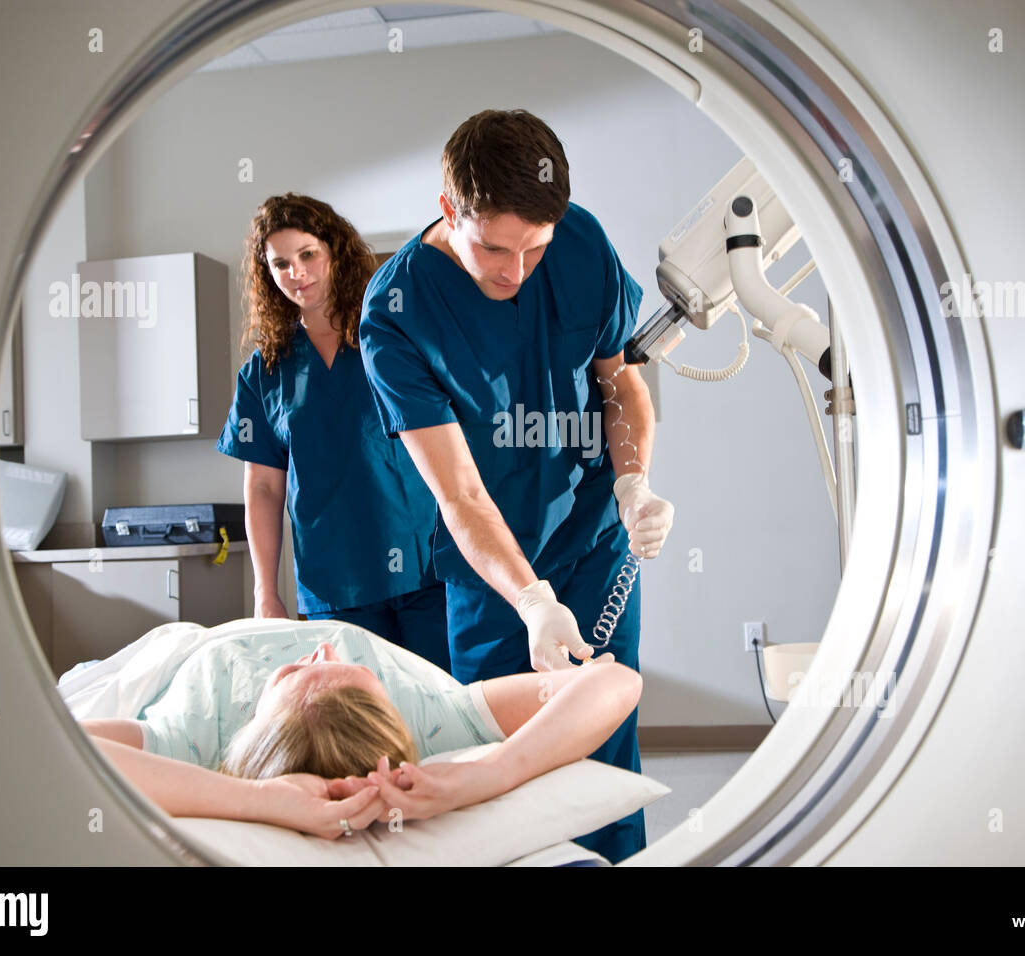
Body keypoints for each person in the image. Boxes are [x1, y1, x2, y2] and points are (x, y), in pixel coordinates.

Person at [357, 109, 675, 862]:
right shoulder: (395, 314)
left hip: (595, 547)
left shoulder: (584, 243)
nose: (517, 272)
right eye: (495, 248)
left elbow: (619, 385)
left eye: (536, 248)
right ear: (449, 212)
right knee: (493, 769)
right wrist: (531, 599)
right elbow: (460, 495)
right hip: (494, 580)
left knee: (602, 746)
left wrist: (633, 484)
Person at [80, 623, 641, 839]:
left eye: (300, 670)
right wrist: (488, 773)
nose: (317, 645)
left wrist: (256, 799)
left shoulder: (193, 736)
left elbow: (67, 744)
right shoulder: (427, 714)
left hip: (201, 643)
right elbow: (614, 681)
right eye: (346, 668)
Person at [217, 193, 450, 670]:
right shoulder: (264, 373)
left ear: (335, 252)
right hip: (335, 584)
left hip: (427, 564)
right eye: (281, 264)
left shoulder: (390, 338)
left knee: (444, 714)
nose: (296, 273)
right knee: (359, 730)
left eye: (307, 254)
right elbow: (262, 488)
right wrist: (265, 592)